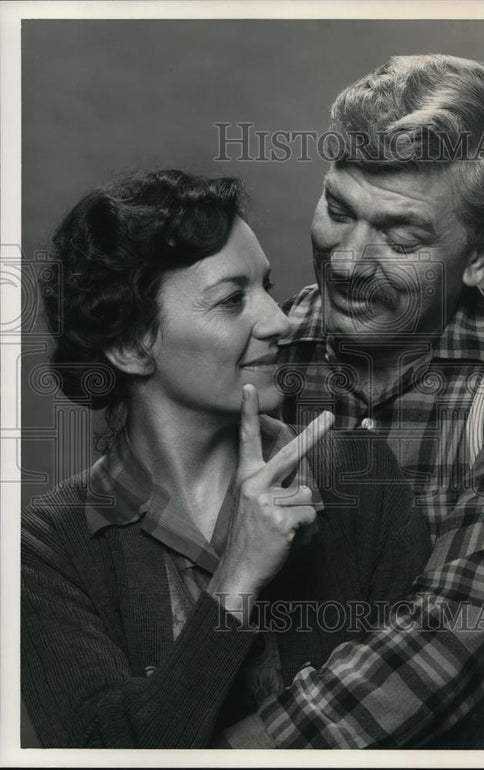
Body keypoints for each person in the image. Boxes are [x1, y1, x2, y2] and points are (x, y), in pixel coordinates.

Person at [217, 55, 484, 749]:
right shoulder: (265, 352)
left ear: (482, 252)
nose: (349, 262)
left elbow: (459, 631)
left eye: (400, 236)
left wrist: (228, 757)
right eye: (338, 209)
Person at [21, 169, 432, 747]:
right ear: (131, 346)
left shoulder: (358, 475)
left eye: (267, 286)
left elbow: (423, 706)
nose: (280, 320)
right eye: (233, 299)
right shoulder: (45, 547)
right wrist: (238, 576)